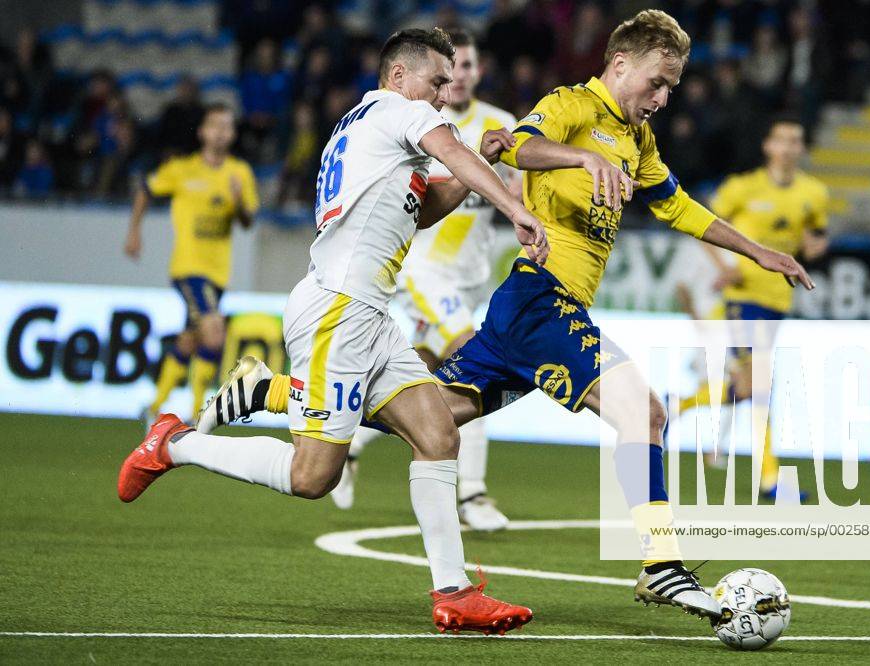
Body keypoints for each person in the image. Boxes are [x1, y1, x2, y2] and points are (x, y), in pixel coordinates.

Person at [199, 10, 812, 622]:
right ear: (620, 64)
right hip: (541, 302)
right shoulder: (574, 105)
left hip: (522, 314)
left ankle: (272, 389)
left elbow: (678, 208)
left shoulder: (637, 140)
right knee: (644, 412)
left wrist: (758, 252)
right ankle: (662, 565)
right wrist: (578, 160)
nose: (662, 96)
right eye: (656, 81)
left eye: (672, 87)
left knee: (429, 419)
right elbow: (518, 144)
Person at [118, 28, 546, 635]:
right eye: (437, 81)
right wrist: (515, 206)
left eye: (451, 85)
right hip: (338, 310)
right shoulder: (398, 110)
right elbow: (453, 153)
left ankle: (454, 593)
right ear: (398, 77)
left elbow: (422, 209)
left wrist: (486, 159)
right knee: (313, 475)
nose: (446, 94)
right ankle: (174, 444)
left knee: (436, 431)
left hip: (372, 315)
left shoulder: (367, 130)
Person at [330, 30, 520, 532]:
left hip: (470, 277)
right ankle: (473, 494)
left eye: (468, 66)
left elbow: (522, 185)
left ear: (477, 70)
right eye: (447, 72)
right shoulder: (416, 120)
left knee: (427, 382)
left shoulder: (500, 124)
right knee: (478, 359)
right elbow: (431, 199)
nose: (458, 77)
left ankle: (352, 439)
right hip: (424, 273)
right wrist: (513, 205)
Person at [680, 116, 830, 499]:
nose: (789, 147)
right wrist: (725, 267)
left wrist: (815, 248)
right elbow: (702, 226)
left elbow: (815, 236)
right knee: (759, 384)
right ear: (768, 146)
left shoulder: (813, 193)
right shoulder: (742, 188)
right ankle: (770, 479)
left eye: (796, 140)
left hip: (778, 299)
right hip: (742, 298)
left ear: (801, 149)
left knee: (747, 386)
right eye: (782, 140)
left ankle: (677, 405)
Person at [125, 104, 259, 423]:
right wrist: (134, 231)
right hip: (188, 269)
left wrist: (239, 201)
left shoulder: (239, 173)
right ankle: (199, 414)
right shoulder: (181, 169)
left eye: (227, 126)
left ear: (233, 134)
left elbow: (248, 220)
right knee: (214, 333)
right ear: (202, 131)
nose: (220, 132)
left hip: (217, 273)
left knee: (191, 339)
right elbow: (145, 190)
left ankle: (154, 407)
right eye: (214, 125)